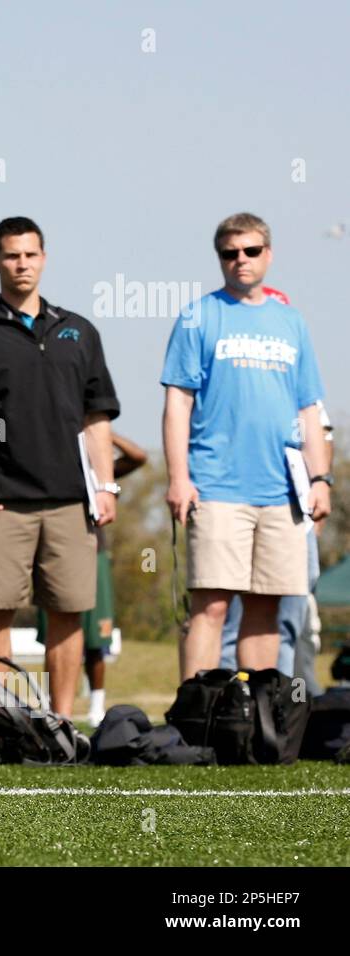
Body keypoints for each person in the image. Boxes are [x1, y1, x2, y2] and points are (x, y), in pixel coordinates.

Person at [0, 216, 120, 719]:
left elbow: (97, 416)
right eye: (11, 256)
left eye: (30, 254)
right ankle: (1, 723)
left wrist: (105, 487)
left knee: (68, 612)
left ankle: (59, 723)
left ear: (44, 258)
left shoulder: (80, 331)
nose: (21, 264)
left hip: (70, 501)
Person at [162, 212, 330, 681]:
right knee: (210, 606)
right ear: (219, 258)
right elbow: (177, 401)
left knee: (265, 608)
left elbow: (308, 408)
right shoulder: (199, 315)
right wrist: (179, 478)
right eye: (230, 253)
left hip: (282, 492)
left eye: (251, 251)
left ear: (268, 254)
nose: (241, 260)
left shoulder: (290, 321)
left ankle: (255, 721)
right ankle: (200, 716)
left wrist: (320, 480)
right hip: (215, 486)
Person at [35, 432, 147, 725]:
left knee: (96, 638)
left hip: (93, 553)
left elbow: (138, 457)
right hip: (53, 552)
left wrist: (101, 432)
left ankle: (96, 706)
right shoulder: (51, 465)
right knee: (54, 636)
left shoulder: (97, 470)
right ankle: (52, 705)